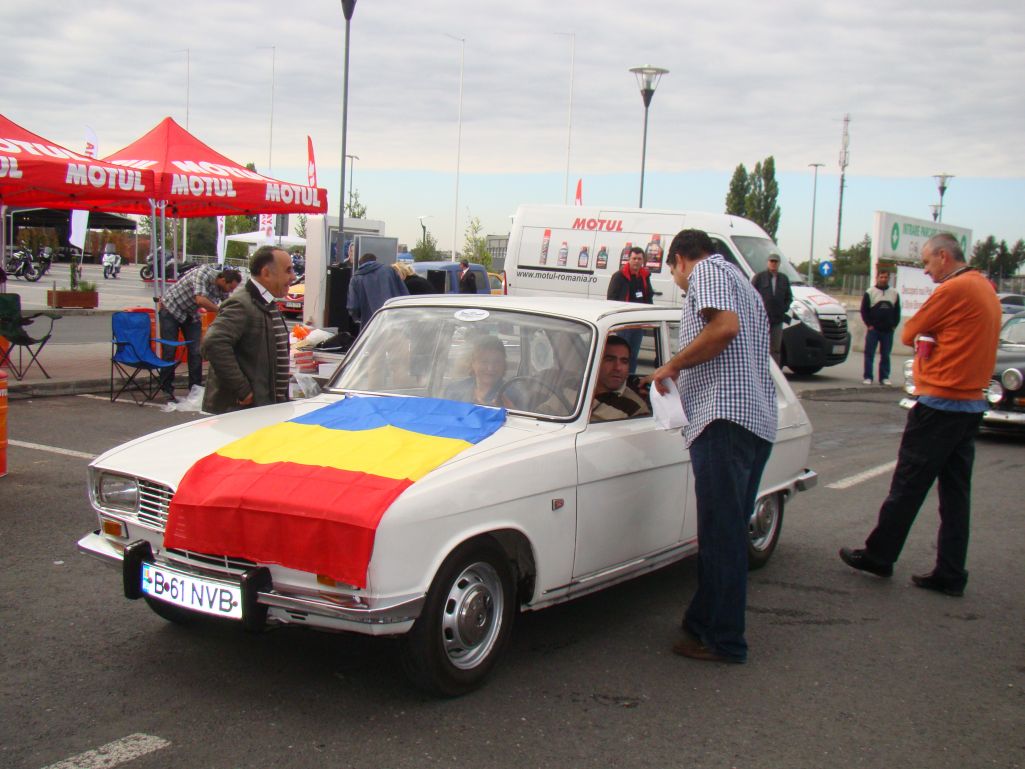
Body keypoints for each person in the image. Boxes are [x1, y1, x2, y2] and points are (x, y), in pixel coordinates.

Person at [839, 233, 1001, 597]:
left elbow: (910, 332)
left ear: (944, 256)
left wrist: (933, 337)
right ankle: (951, 571)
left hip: (941, 402)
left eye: (927, 263)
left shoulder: (953, 289)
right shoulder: (984, 287)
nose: (926, 272)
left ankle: (880, 555)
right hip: (971, 402)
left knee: (908, 483)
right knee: (956, 493)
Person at [645, 229, 777, 664]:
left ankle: (723, 640)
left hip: (723, 421)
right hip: (753, 421)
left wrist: (671, 364)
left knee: (721, 538)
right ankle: (702, 619)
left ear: (681, 259)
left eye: (673, 273)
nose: (678, 283)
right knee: (727, 532)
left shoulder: (708, 273)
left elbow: (723, 328)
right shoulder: (745, 283)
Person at [200, 246, 294, 414]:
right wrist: (243, 390)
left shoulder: (267, 302)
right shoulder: (241, 304)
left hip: (263, 408)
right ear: (266, 273)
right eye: (288, 271)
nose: (293, 277)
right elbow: (214, 343)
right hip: (243, 413)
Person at [157, 265, 242, 401]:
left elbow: (227, 304)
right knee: (170, 350)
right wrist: (220, 311)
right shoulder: (203, 273)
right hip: (171, 309)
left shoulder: (222, 288)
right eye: (230, 288)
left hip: (190, 314)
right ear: (223, 280)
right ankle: (166, 388)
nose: (230, 291)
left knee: (196, 351)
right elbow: (200, 300)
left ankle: (195, 388)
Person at [606, 246, 654, 373]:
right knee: (621, 355)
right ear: (629, 259)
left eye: (639, 259)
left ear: (643, 260)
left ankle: (630, 379)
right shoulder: (619, 276)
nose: (636, 261)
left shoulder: (644, 276)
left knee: (633, 355)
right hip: (624, 322)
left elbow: (648, 297)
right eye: (634, 258)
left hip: (638, 323)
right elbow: (611, 298)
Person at [590, 335, 651, 422]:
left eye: (624, 362)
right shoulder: (573, 385)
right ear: (596, 361)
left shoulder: (635, 409)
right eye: (610, 359)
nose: (618, 367)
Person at [347, 253, 408, 332]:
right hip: (394, 322)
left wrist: (357, 319)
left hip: (370, 326)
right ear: (375, 260)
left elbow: (353, 306)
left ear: (360, 264)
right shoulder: (389, 270)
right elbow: (404, 293)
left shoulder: (355, 279)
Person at [860, 269, 901, 385]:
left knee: (885, 355)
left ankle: (884, 377)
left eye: (886, 277)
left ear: (889, 278)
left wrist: (894, 325)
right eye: (881, 277)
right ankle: (868, 377)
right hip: (874, 330)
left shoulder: (894, 293)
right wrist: (869, 325)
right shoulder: (870, 292)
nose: (883, 279)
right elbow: (864, 310)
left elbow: (897, 311)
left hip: (888, 330)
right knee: (869, 354)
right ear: (877, 278)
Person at [750, 253, 792, 366]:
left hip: (777, 319)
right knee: (759, 346)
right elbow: (751, 294)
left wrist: (783, 308)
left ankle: (775, 372)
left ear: (779, 263)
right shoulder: (759, 277)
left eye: (776, 261)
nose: (773, 263)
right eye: (771, 261)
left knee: (775, 349)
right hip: (761, 319)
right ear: (768, 262)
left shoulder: (784, 279)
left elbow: (789, 297)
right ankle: (759, 368)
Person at [444, 335, 509, 406]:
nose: (490, 368)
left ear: (504, 365)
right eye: (484, 361)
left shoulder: (513, 395)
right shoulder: (454, 389)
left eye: (497, 362)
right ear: (473, 363)